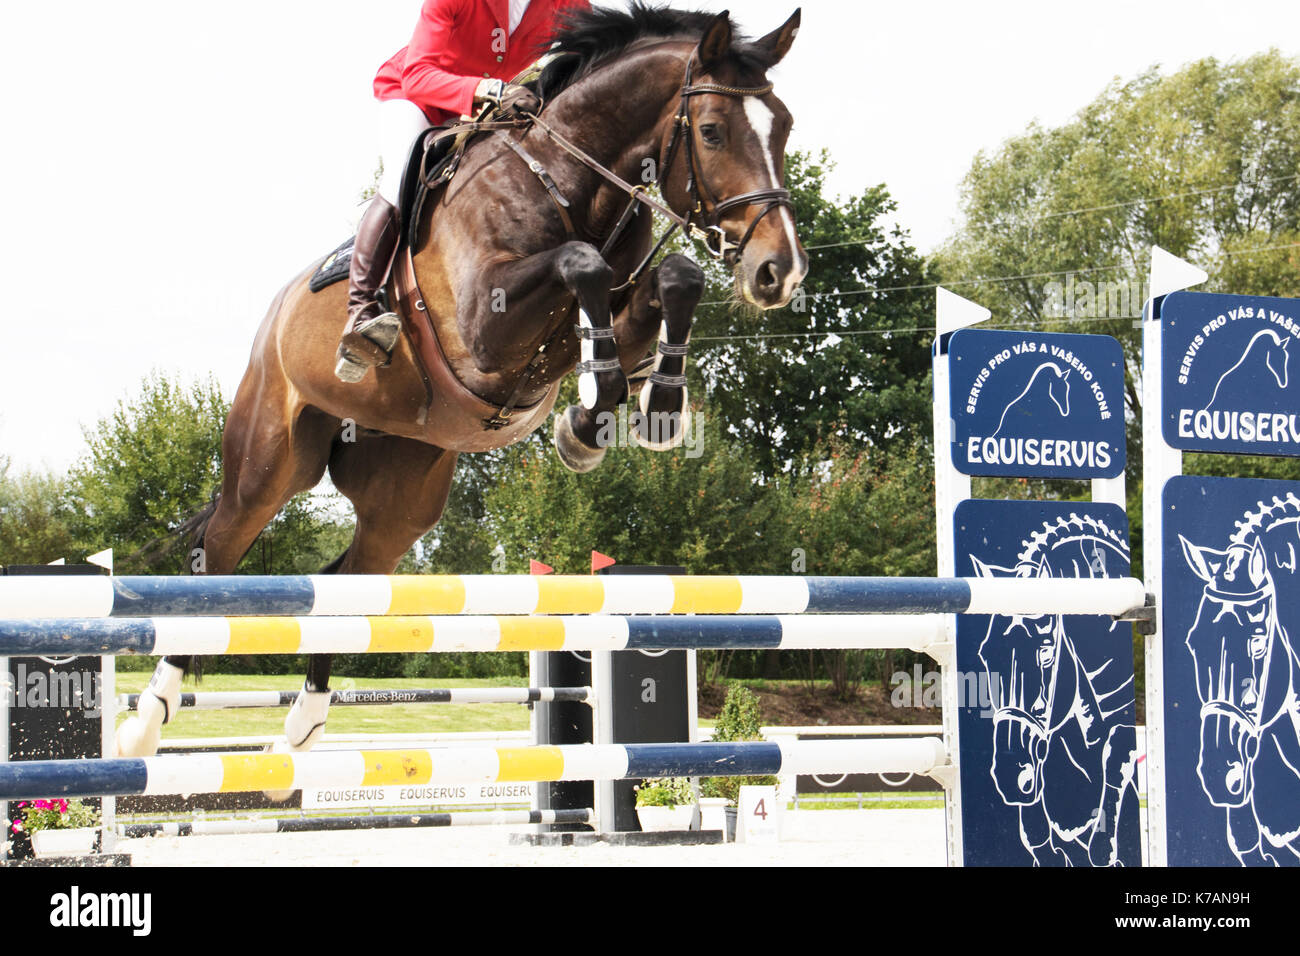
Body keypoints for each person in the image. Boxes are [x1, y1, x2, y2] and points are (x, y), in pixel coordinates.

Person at [336, 0, 589, 383]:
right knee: (403, 169)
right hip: (416, 100)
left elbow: (590, 54)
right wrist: (489, 89)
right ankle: (361, 311)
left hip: (487, 109)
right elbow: (417, 75)